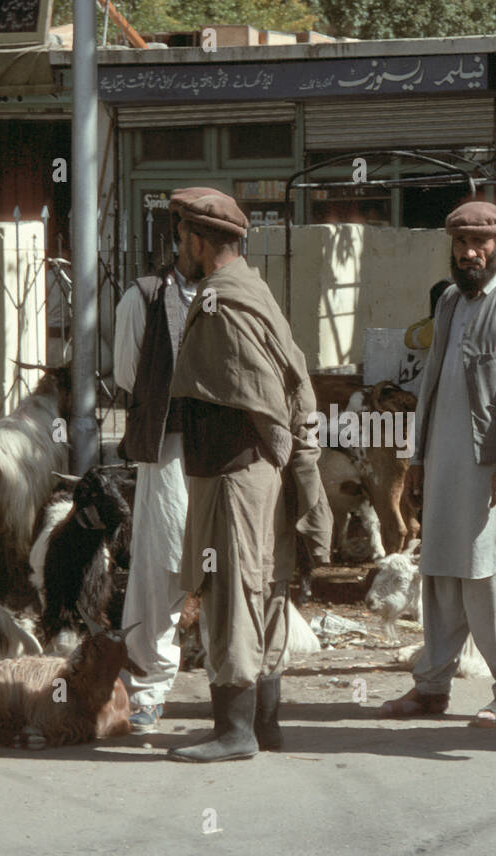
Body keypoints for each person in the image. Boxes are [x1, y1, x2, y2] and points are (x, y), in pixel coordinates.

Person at [166, 187, 332, 763]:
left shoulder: (219, 301)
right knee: (262, 588)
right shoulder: (250, 289)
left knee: (231, 594)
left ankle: (235, 732)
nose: (176, 248)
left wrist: (281, 455)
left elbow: (264, 396)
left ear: (199, 240)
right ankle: (266, 724)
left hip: (235, 473)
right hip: (254, 473)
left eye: (180, 236)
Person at [378, 201, 496, 727]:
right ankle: (431, 687)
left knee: (492, 577)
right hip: (443, 465)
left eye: (480, 244)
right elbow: (430, 386)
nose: (469, 253)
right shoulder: (452, 300)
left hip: (490, 466)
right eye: (461, 244)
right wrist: (420, 459)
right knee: (440, 575)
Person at [111, 212, 199, 730]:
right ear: (180, 240)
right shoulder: (143, 296)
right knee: (162, 561)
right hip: (168, 447)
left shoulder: (232, 293)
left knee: (226, 561)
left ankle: (236, 689)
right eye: (199, 236)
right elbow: (128, 372)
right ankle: (148, 685)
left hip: (224, 450)